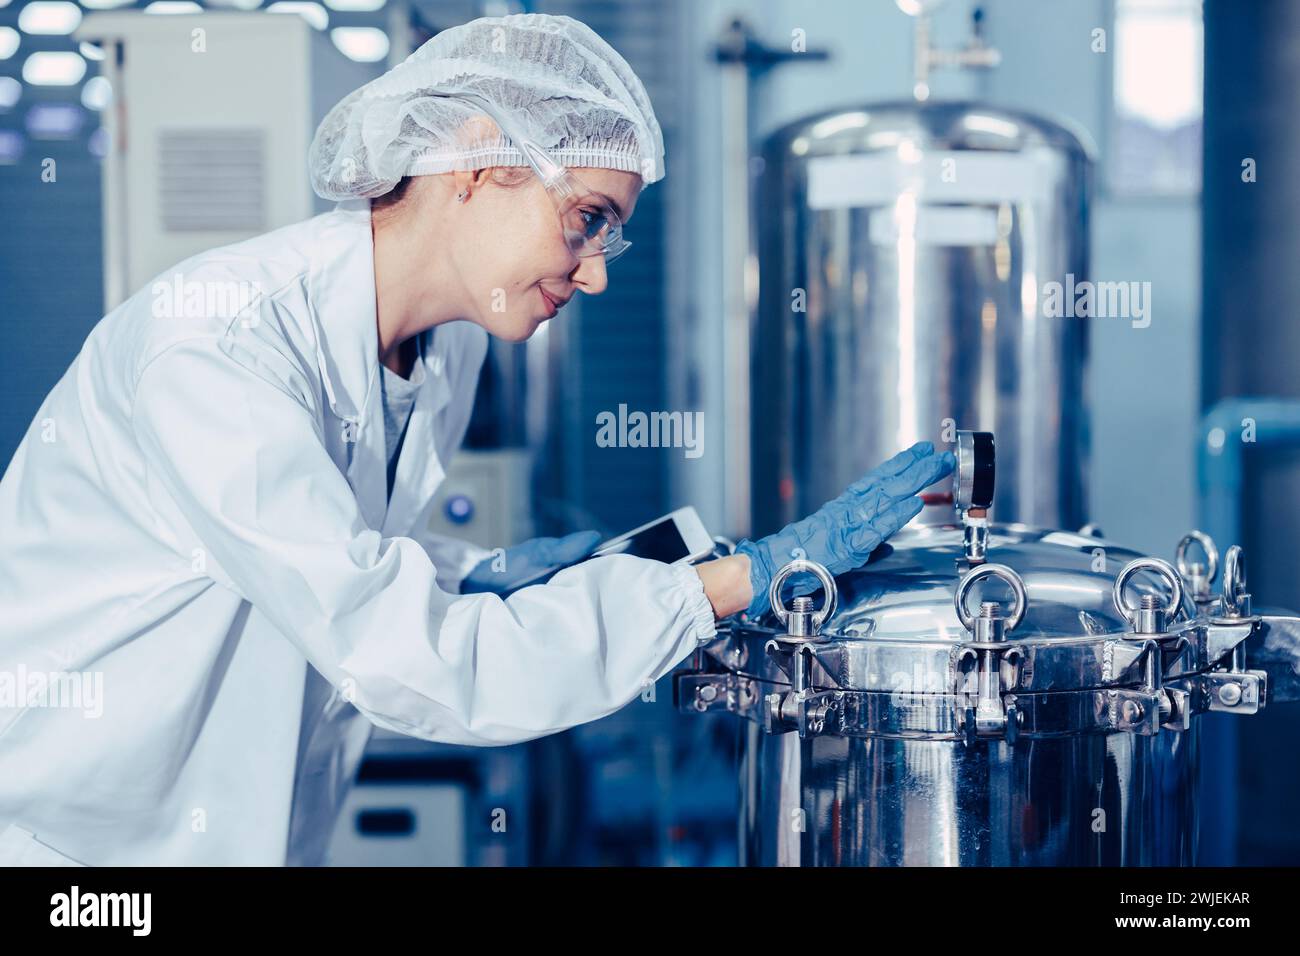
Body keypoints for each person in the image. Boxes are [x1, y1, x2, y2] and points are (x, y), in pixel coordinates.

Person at [0, 13, 953, 866]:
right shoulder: (216, 353)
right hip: (74, 842)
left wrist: (472, 574)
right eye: (587, 222)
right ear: (482, 156)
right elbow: (404, 658)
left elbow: (316, 559)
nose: (596, 278)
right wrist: (735, 581)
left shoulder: (443, 352)